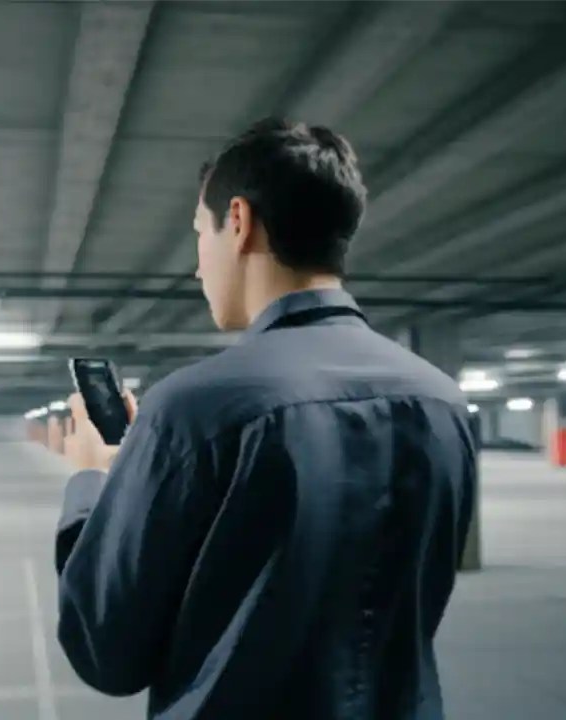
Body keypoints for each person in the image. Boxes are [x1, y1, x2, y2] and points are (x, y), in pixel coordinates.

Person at [54, 117, 478, 719]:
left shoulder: (194, 408)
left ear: (238, 221)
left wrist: (92, 484)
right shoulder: (442, 399)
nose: (198, 268)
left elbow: (106, 649)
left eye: (199, 234)